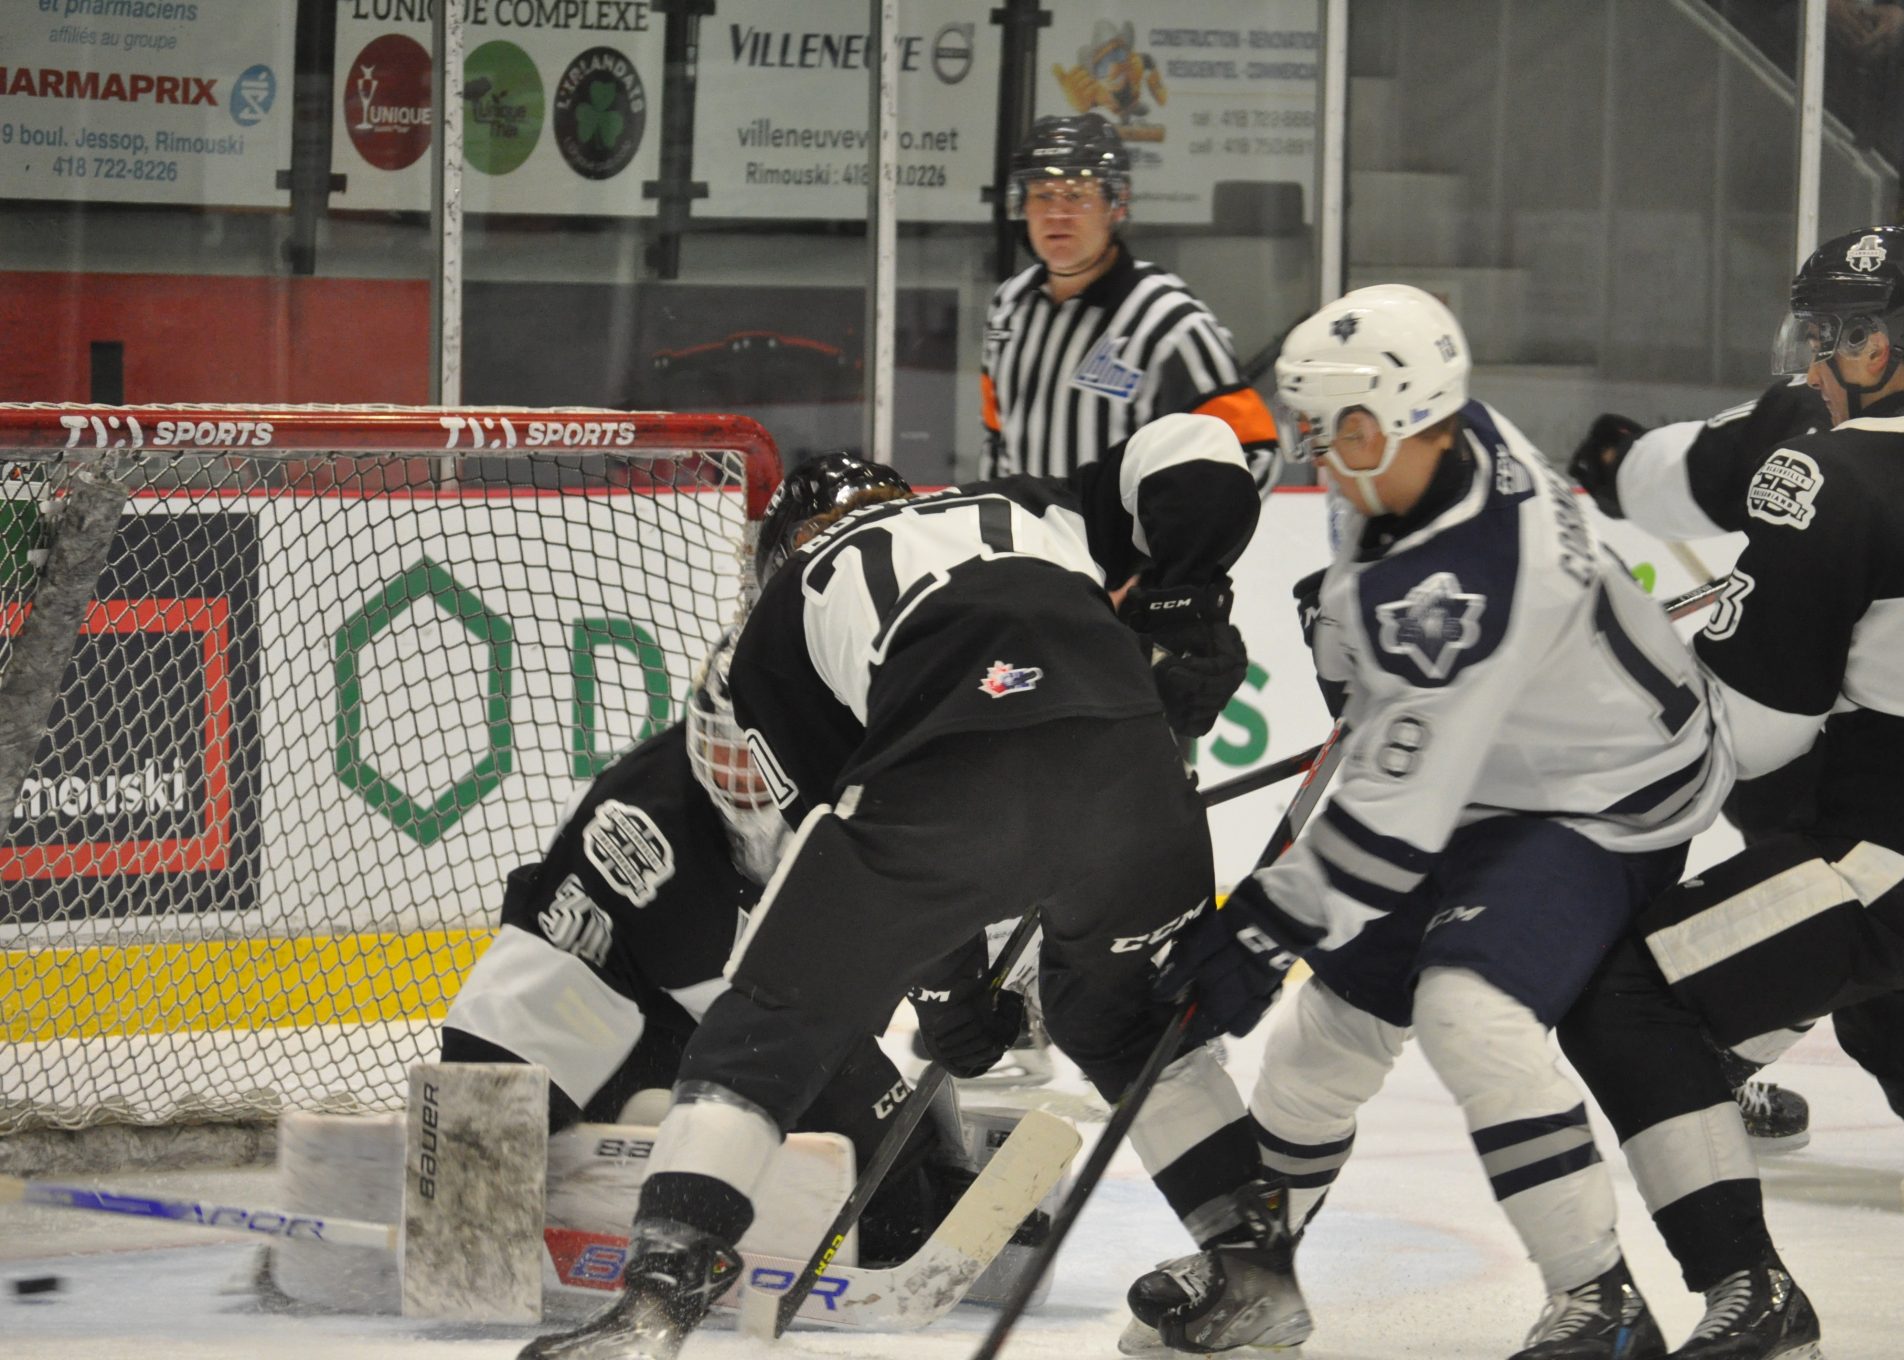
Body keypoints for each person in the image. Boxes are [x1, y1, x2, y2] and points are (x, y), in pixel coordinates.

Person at [519, 414, 1271, 1360]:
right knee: (1125, 1023)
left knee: (767, 1024)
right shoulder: (1018, 508)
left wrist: (948, 992)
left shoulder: (780, 616)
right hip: (1137, 782)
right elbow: (1195, 444)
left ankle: (660, 1298)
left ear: (778, 551)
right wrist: (1188, 603)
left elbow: (866, 844)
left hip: (953, 784)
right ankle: (1255, 1265)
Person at [1132, 285, 1734, 1359]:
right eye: (1315, 427)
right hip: (1499, 767)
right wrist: (1350, 641)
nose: (1320, 454)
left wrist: (1262, 927)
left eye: (1337, 431)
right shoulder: (1444, 443)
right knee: (1323, 1041)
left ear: (1397, 419)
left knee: (1469, 1011)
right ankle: (1258, 1266)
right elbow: (1400, 720)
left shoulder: (1465, 577)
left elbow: (1390, 823)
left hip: (1604, 794)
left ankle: (1602, 1303)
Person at [1556, 225, 1904, 1359]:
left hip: (1899, 861)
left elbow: (1759, 735)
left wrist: (1606, 686)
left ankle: (1750, 1290)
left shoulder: (1827, 475)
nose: (1814, 358)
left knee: (1625, 996)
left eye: (1830, 334)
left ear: (1881, 344)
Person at [438, 637, 961, 1266]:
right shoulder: (639, 818)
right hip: (653, 1013)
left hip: (762, 1010)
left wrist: (954, 994)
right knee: (487, 1116)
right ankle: (635, 1124)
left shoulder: (872, 790)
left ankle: (907, 1178)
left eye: (755, 757)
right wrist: (477, 1131)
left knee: (895, 1202)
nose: (735, 778)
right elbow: (540, 983)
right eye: (720, 747)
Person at [979, 113, 1280, 489]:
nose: (1057, 214)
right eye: (1043, 196)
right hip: (1021, 529)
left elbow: (1254, 453)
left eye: (1076, 196)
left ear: (1117, 204)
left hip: (1118, 531)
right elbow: (997, 437)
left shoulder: (1169, 321)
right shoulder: (1009, 306)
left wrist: (1164, 524)